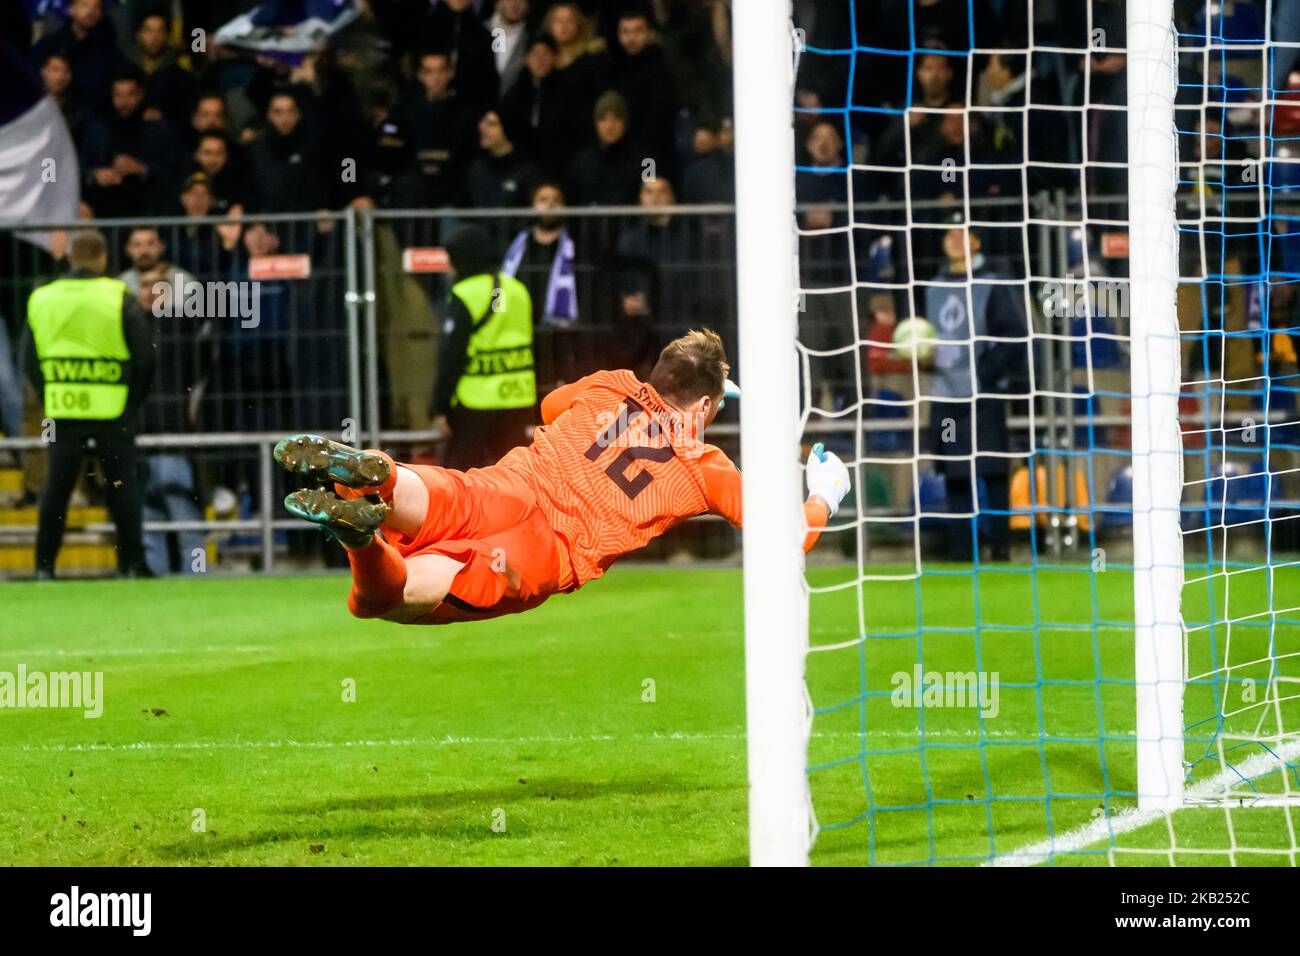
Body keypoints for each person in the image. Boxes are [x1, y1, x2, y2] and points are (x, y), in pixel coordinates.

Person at [275, 330, 851, 625]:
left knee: (444, 494)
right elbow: (787, 543)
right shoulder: (703, 468)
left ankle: (376, 478)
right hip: (545, 549)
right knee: (389, 596)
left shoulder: (613, 384)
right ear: (702, 408)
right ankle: (357, 538)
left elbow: (552, 408)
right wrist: (823, 495)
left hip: (515, 484)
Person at [19, 230, 157, 579]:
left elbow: (28, 359)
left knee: (57, 489)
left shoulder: (43, 297)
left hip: (64, 408)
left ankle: (44, 568)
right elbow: (144, 356)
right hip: (113, 409)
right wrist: (130, 401)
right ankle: (131, 565)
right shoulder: (118, 297)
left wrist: (53, 387)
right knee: (122, 486)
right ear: (103, 260)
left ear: (70, 258)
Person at [924, 219, 1029, 562]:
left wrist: (982, 374)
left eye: (962, 232)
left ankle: (1000, 549)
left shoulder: (993, 283)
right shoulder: (933, 286)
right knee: (954, 471)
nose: (954, 239)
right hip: (944, 393)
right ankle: (960, 551)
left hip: (982, 396)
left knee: (992, 470)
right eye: (948, 232)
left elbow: (1015, 337)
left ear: (977, 242)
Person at [431, 226, 537, 470]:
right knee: (515, 473)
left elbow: (451, 356)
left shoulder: (465, 293)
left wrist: (439, 406)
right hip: (518, 397)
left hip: (475, 402)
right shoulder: (517, 289)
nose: (449, 268)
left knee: (463, 476)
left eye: (452, 260)